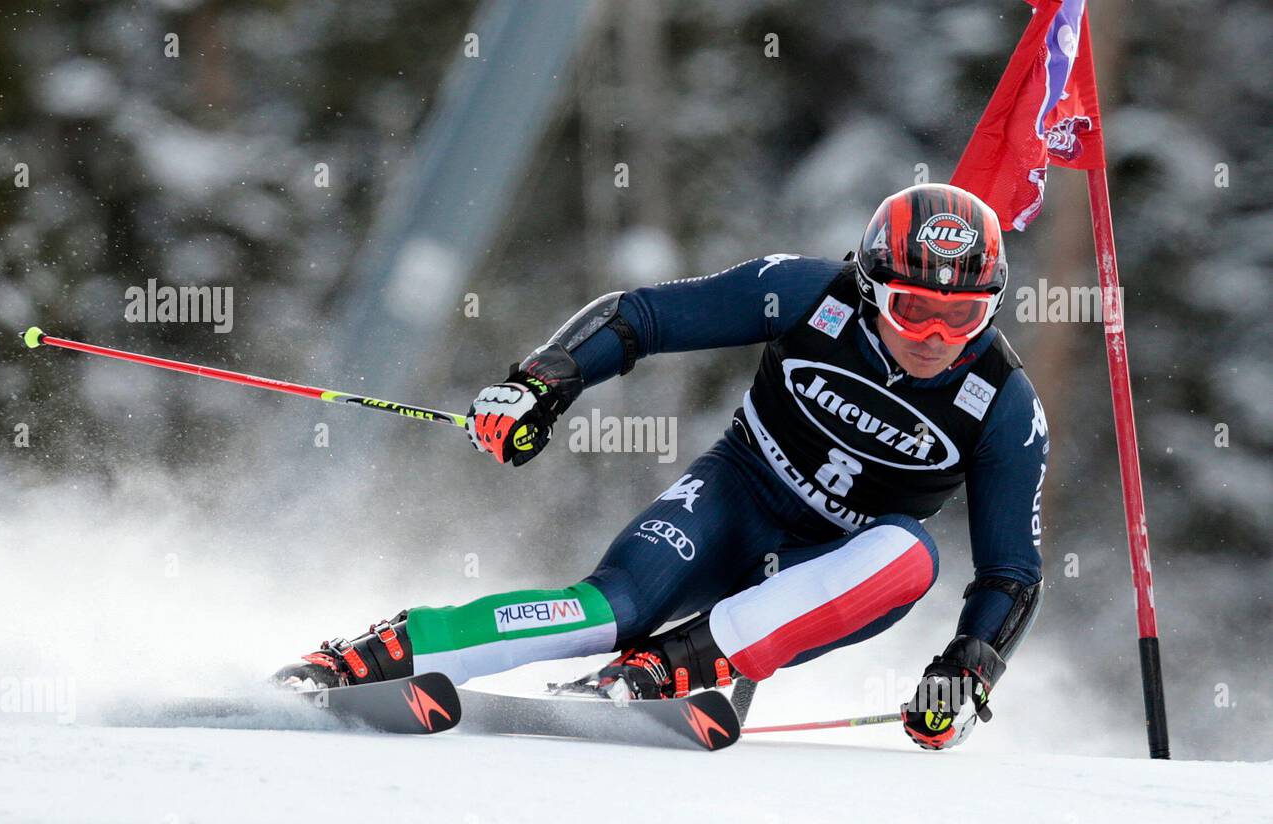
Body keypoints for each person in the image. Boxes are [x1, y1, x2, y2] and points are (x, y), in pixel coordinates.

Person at [277, 183, 1047, 751]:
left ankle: (664, 670)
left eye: (965, 315)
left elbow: (1012, 571)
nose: (937, 335)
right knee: (607, 610)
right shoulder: (809, 294)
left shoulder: (1003, 403)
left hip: (822, 570)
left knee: (910, 554)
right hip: (734, 495)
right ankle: (384, 653)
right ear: (872, 285)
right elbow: (643, 315)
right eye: (914, 308)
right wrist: (544, 383)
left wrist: (966, 670)